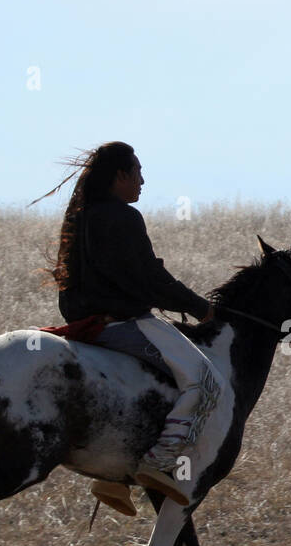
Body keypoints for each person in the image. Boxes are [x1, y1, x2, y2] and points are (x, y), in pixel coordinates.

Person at [38, 141, 220, 512]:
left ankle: (113, 479)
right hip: (125, 324)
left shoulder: (81, 217)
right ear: (120, 175)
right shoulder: (122, 217)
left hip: (88, 328)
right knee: (205, 379)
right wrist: (202, 309)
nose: (142, 181)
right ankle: (159, 464)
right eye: (137, 172)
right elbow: (151, 278)